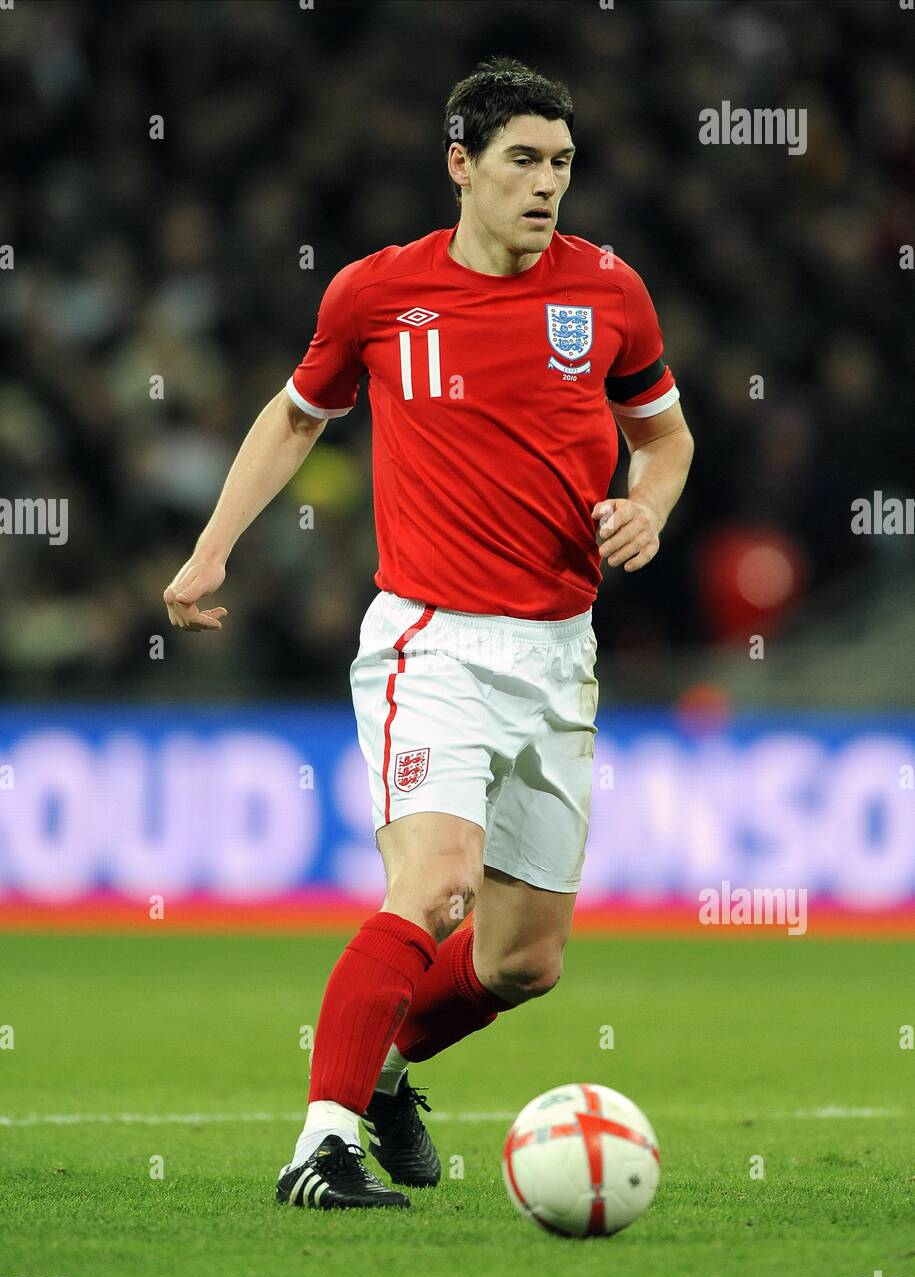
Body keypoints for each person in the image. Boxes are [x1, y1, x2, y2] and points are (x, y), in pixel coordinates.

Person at [163, 56, 693, 1210]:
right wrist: (213, 549)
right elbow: (295, 418)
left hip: (561, 653)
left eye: (560, 163)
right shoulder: (376, 295)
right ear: (462, 166)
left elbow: (666, 436)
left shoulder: (609, 292)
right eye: (522, 161)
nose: (546, 184)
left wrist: (645, 505)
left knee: (520, 961)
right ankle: (320, 1145)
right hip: (432, 641)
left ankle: (390, 1075)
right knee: (436, 882)